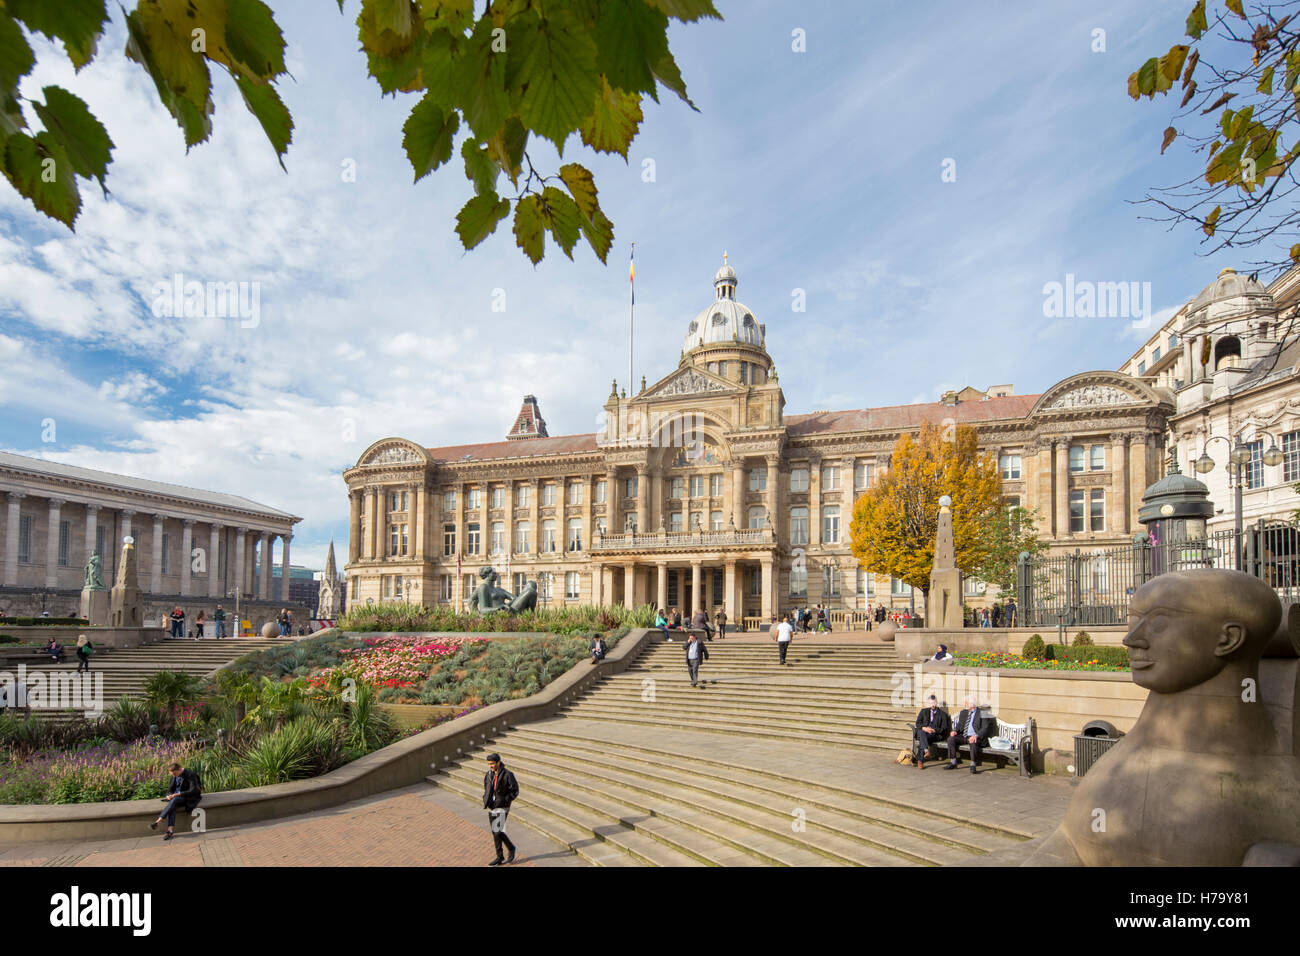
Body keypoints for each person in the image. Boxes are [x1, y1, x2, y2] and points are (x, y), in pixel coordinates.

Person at [482, 753, 519, 865]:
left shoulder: (508, 774)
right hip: (492, 806)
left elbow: (515, 791)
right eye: (489, 764)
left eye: (492, 763)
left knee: (497, 831)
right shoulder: (488, 774)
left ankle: (511, 848)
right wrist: (486, 799)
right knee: (495, 832)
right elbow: (487, 787)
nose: (490, 766)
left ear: (498, 762)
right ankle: (500, 856)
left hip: (503, 806)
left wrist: (505, 799)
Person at [151, 763, 202, 840]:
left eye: (174, 774)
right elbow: (169, 789)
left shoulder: (190, 775)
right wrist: (169, 795)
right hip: (176, 798)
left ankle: (158, 821)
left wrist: (177, 794)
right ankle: (170, 830)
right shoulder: (174, 775)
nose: (174, 776)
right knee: (173, 804)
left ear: (180, 769)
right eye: (172, 774)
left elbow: (194, 791)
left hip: (188, 797)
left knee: (174, 800)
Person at [946, 696, 992, 773]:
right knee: (951, 739)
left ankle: (973, 764)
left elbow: (985, 728)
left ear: (972, 704)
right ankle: (953, 762)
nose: (965, 705)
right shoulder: (964, 712)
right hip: (964, 736)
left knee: (973, 742)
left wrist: (976, 736)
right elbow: (959, 724)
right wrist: (955, 731)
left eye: (966, 703)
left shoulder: (982, 713)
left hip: (975, 737)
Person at [913, 695, 951, 769]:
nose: (932, 705)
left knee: (922, 737)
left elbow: (944, 728)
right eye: (930, 703)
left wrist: (934, 730)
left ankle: (920, 760)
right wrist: (924, 728)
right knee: (922, 733)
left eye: (933, 703)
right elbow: (918, 723)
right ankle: (926, 751)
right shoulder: (923, 711)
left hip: (934, 735)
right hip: (924, 732)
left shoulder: (943, 714)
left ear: (936, 703)